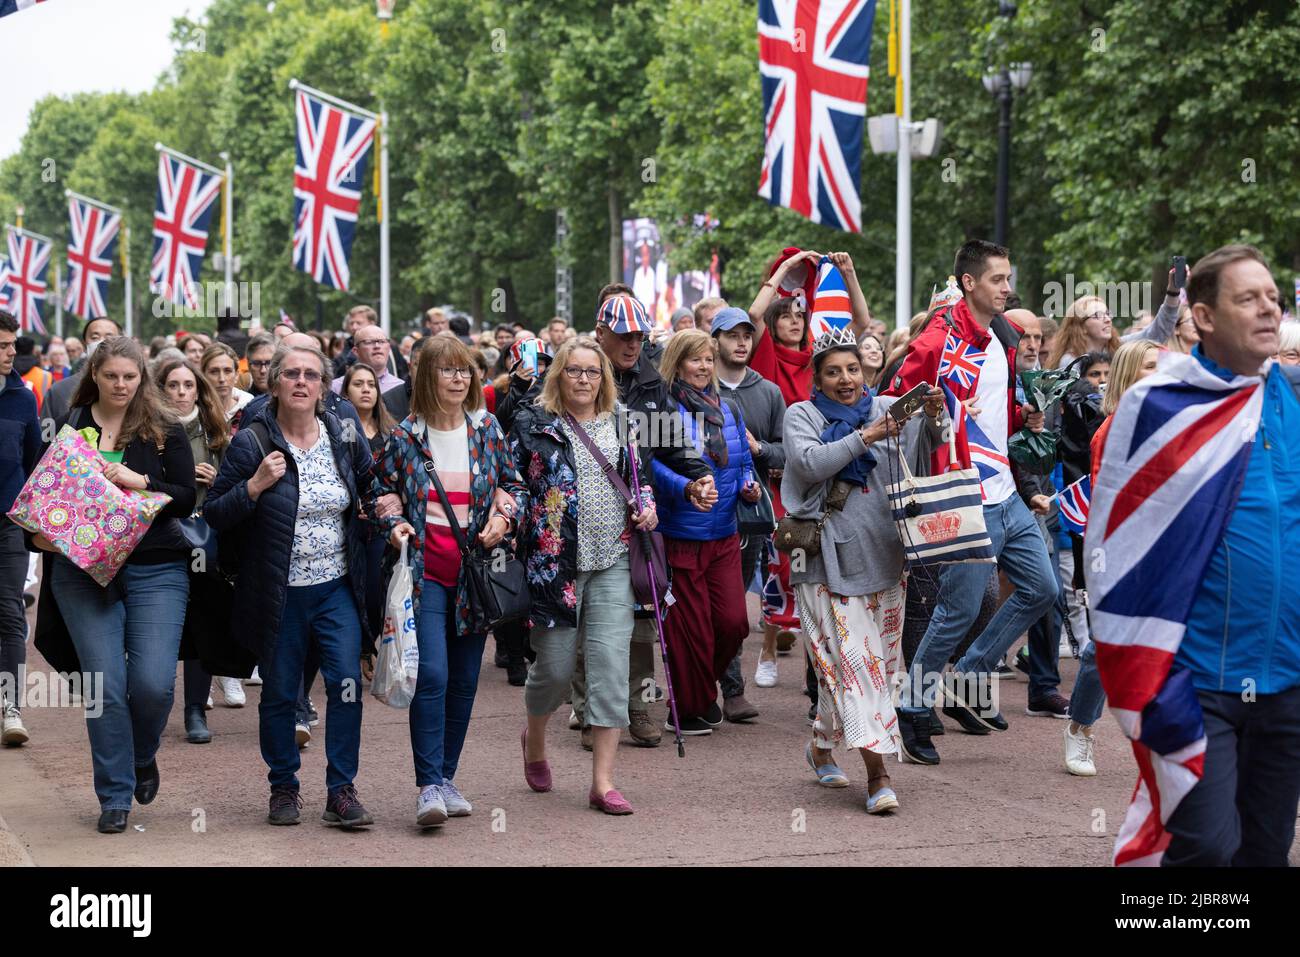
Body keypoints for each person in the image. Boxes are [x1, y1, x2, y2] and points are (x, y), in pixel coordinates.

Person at [1087, 245, 1300, 866]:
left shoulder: (1290, 398)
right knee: (1205, 848)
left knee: (1265, 851)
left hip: (1286, 678)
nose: (1268, 309)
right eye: (1247, 298)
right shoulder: (1156, 407)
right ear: (1202, 316)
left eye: (1272, 297)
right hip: (1196, 677)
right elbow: (1116, 546)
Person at [888, 240, 1057, 764]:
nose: (1008, 287)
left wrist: (1022, 414)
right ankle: (912, 706)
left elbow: (995, 410)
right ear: (969, 282)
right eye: (999, 279)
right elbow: (894, 400)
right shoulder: (938, 338)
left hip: (1006, 489)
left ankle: (971, 672)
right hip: (963, 493)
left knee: (1042, 588)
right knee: (956, 610)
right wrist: (930, 409)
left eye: (1009, 278)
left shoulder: (1003, 334)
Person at [206, 339, 377, 828]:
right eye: (292, 374)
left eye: (311, 375)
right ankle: (283, 785)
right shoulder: (252, 441)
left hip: (336, 587)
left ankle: (340, 791)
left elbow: (371, 486)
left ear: (324, 387)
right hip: (278, 592)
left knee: (345, 684)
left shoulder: (342, 435)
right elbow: (216, 512)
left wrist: (385, 508)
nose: (301, 382)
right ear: (274, 383)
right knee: (281, 693)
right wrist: (254, 485)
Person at [34, 337, 197, 832]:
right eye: (111, 376)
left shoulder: (165, 427)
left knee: (151, 685)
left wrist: (140, 481)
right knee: (103, 686)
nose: (121, 385)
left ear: (141, 377)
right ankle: (115, 796)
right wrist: (42, 535)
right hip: (81, 572)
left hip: (156, 568)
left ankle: (141, 756)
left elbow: (187, 499)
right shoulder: (71, 425)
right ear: (95, 376)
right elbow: (45, 496)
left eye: (130, 376)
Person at [783, 327, 944, 811]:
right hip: (827, 561)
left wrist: (938, 413)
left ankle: (820, 745)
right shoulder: (801, 415)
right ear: (817, 377)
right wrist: (866, 436)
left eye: (852, 369)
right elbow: (810, 464)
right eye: (833, 371)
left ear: (867, 370)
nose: (845, 379)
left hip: (888, 558)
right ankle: (879, 776)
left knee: (871, 670)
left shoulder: (890, 407)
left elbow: (929, 448)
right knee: (860, 671)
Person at [376, 335, 525, 826]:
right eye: (448, 371)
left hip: (475, 574)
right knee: (433, 676)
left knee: (463, 681)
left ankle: (446, 777)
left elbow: (514, 484)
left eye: (466, 371)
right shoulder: (405, 438)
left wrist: (504, 517)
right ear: (426, 378)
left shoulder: (488, 431)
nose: (460, 379)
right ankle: (427, 786)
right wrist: (393, 519)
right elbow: (380, 490)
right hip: (425, 574)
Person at [512, 337, 655, 813]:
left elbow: (639, 479)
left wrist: (647, 508)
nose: (583, 380)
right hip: (556, 565)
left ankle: (603, 783)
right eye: (574, 371)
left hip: (612, 559)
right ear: (558, 375)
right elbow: (511, 482)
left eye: (592, 372)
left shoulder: (624, 422)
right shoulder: (533, 423)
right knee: (552, 670)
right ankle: (534, 738)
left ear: (604, 378)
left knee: (612, 668)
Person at [581, 290, 714, 748]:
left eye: (638, 336)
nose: (632, 344)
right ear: (600, 334)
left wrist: (697, 476)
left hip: (635, 517)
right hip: (579, 517)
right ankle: (589, 709)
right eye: (622, 336)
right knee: (585, 621)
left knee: (637, 617)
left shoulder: (651, 380)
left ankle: (636, 707)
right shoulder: (578, 373)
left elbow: (670, 439)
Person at [748, 250, 875, 716]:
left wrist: (848, 273)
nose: (797, 321)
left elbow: (864, 328)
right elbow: (753, 315)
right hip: (782, 481)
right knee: (786, 570)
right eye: (791, 314)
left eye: (804, 315)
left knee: (821, 577)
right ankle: (767, 648)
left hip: (833, 483)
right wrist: (783, 273)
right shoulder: (765, 355)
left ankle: (813, 675)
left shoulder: (825, 361)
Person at [1059, 340, 1159, 777]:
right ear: (1129, 376)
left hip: (1169, 547)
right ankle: (1080, 728)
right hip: (1120, 549)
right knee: (1103, 648)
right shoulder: (1112, 430)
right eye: (1150, 367)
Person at [652, 329, 757, 735]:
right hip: (681, 534)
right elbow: (653, 468)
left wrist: (749, 485)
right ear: (677, 363)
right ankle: (691, 705)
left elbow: (744, 460)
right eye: (695, 359)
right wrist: (686, 487)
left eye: (708, 359)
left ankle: (694, 694)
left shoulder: (728, 408)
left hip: (726, 534)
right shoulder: (662, 410)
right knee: (689, 631)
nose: (703, 366)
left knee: (733, 623)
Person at [710, 307, 783, 715]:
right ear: (715, 340)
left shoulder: (768, 392)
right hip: (698, 512)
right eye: (731, 335)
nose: (741, 342)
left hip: (748, 514)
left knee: (735, 607)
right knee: (702, 604)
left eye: (746, 335)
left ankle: (731, 687)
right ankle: (708, 686)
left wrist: (760, 451)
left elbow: (786, 451)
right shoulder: (697, 388)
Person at [154, 356, 231, 744]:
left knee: (202, 624)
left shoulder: (215, 432)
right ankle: (154, 706)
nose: (182, 393)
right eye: (173, 385)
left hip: (205, 539)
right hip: (161, 538)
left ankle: (195, 710)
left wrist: (217, 479)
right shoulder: (148, 429)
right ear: (160, 389)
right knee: (160, 627)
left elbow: (237, 484)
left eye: (188, 386)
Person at [0, 312, 40, 747]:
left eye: (12, 343)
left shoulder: (23, 399)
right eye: (4, 345)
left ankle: (11, 707)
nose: (14, 351)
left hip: (7, 525)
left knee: (10, 611)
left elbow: (32, 463)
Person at [342, 363, 396, 643]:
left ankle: (369, 645)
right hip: (347, 524)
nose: (366, 390)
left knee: (376, 592)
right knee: (350, 591)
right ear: (346, 392)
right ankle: (358, 648)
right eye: (358, 384)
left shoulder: (393, 432)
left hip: (381, 527)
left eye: (371, 384)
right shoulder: (337, 430)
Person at [42, 318, 122, 425]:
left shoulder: (130, 389)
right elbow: (46, 437)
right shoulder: (59, 391)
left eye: (110, 337)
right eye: (95, 337)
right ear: (84, 345)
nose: (102, 342)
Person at [330, 322, 409, 421]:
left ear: (389, 348)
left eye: (381, 341)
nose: (377, 346)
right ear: (355, 351)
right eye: (369, 342)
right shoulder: (335, 387)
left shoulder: (402, 388)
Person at [201, 342, 254, 436]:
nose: (222, 379)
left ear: (237, 375)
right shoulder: (197, 413)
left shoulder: (250, 410)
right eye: (214, 372)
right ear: (204, 375)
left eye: (227, 371)